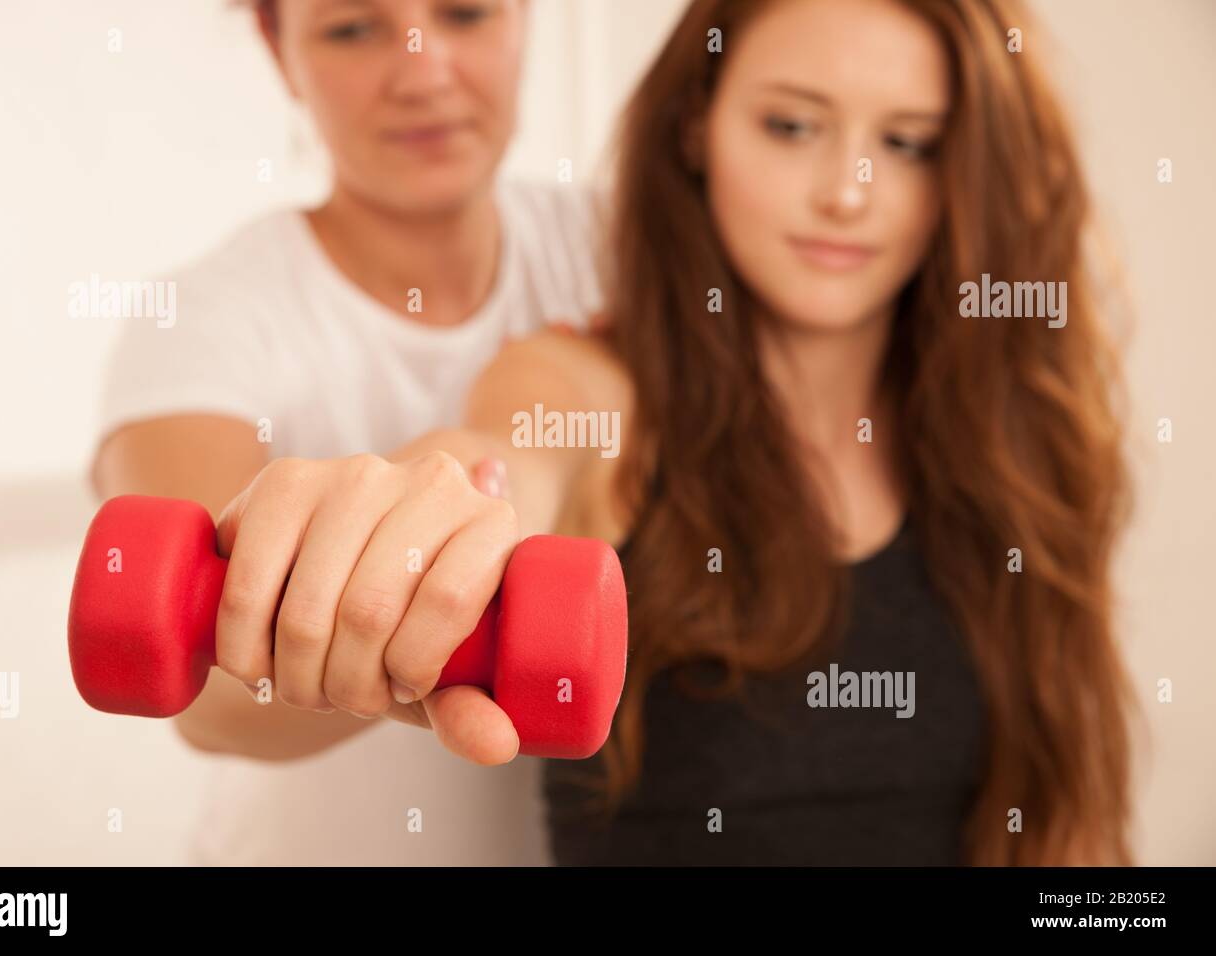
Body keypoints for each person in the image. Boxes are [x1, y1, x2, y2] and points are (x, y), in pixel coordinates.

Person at [189, 0, 1136, 865]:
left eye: (908, 143)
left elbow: (1069, 831)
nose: (848, 193)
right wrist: (423, 520)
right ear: (697, 127)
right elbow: (507, 460)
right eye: (792, 126)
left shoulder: (1016, 447)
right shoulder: (588, 388)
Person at [91, 0, 600, 864]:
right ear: (279, 50)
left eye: (466, 15)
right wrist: (397, 631)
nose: (423, 71)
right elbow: (209, 690)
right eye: (353, 29)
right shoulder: (199, 322)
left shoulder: (613, 248)